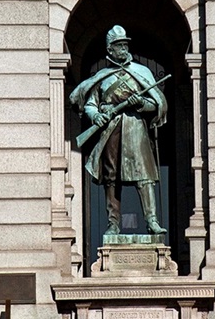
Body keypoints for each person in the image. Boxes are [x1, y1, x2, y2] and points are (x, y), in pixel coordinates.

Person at [69, 25, 168, 236]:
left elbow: (157, 104)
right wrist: (96, 116)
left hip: (135, 127)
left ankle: (152, 220)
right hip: (110, 129)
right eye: (118, 45)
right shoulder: (103, 76)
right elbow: (90, 104)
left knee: (144, 174)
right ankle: (113, 224)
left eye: (125, 44)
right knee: (111, 177)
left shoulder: (142, 72)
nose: (123, 48)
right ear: (110, 49)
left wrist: (140, 103)